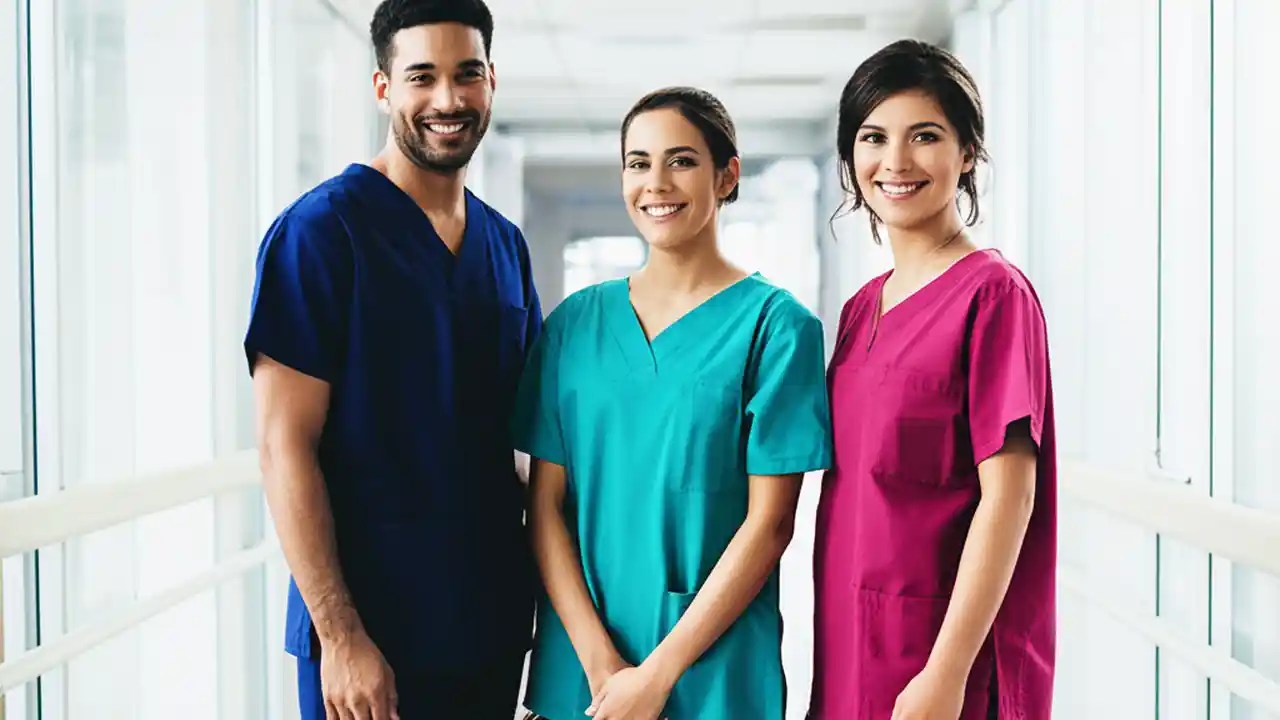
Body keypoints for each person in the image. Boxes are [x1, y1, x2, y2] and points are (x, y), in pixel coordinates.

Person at [245, 1, 541, 717]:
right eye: (422, 77)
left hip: (487, 631)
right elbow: (284, 446)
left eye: (467, 75)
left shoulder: (504, 246)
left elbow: (524, 443)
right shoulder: (320, 233)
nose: (448, 99)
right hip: (372, 644)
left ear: (491, 83)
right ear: (383, 88)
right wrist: (339, 634)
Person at [512, 87, 832, 720]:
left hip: (712, 675)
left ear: (727, 175)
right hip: (584, 677)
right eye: (638, 162)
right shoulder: (575, 324)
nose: (656, 182)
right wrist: (603, 668)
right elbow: (545, 507)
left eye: (681, 160)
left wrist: (656, 677)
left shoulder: (776, 327)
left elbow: (769, 526)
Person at [811, 40, 1057, 720]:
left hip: (941, 660)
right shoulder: (864, 307)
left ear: (967, 152)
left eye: (925, 136)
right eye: (873, 137)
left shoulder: (993, 296)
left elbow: (1010, 499)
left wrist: (945, 675)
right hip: (851, 647)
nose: (894, 162)